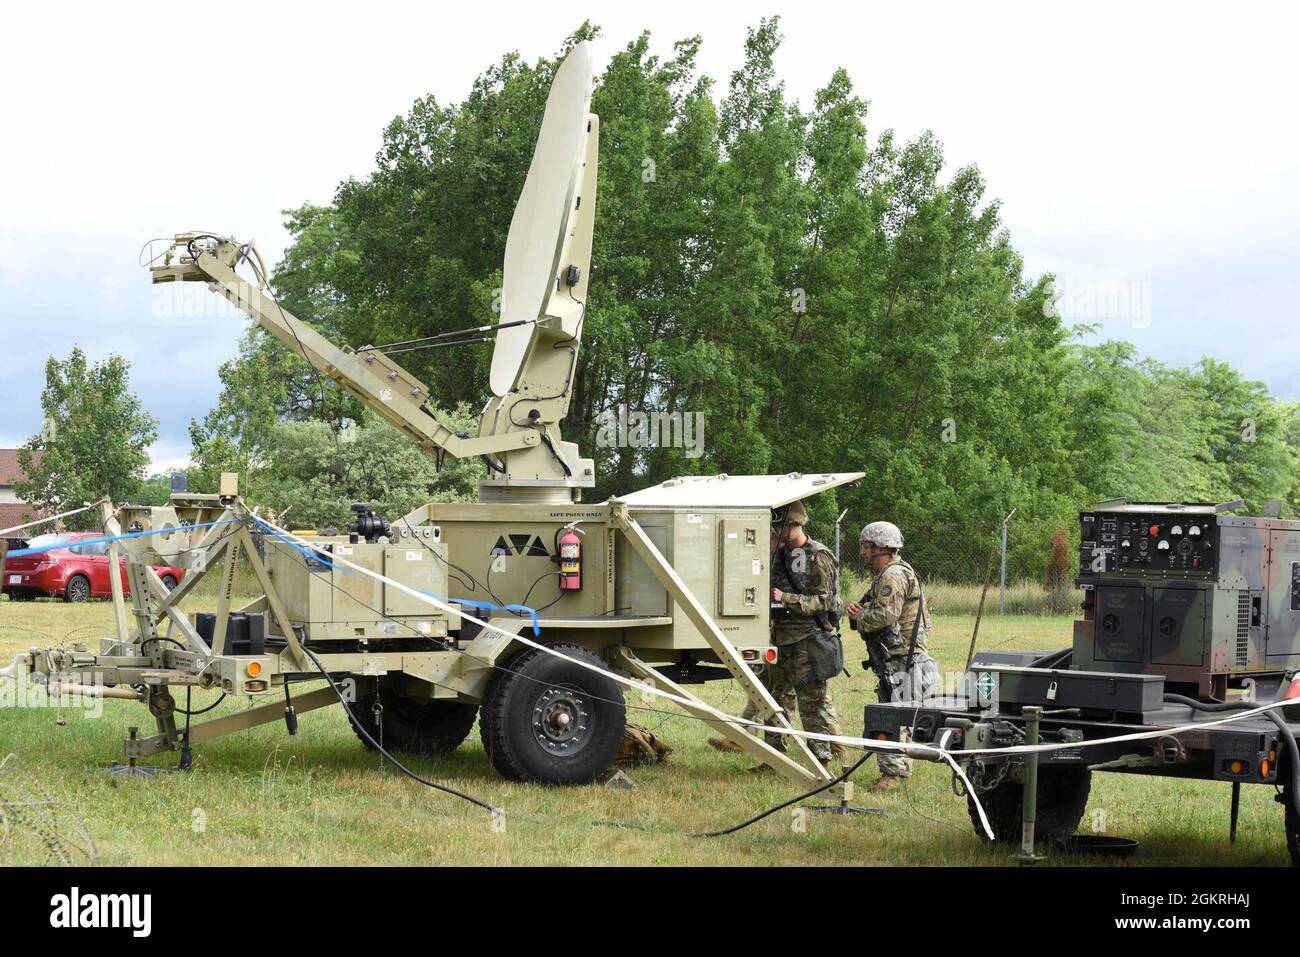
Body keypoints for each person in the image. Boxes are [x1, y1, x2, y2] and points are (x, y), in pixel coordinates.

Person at [709, 500, 844, 768]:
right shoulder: (778, 554)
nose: (775, 532)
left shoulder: (819, 555)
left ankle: (821, 760)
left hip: (809, 639)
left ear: (794, 524)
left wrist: (787, 598)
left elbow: (824, 601)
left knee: (812, 704)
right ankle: (774, 758)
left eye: (779, 527)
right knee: (774, 701)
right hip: (780, 639)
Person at [847, 521, 940, 792]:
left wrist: (858, 616)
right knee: (891, 712)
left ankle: (893, 774)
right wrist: (861, 612)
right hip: (897, 655)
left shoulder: (893, 576)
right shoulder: (888, 574)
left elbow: (885, 616)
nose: (862, 552)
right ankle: (893, 770)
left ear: (880, 548)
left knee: (891, 716)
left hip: (903, 657)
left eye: (866, 546)